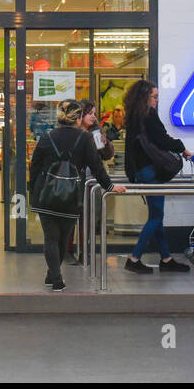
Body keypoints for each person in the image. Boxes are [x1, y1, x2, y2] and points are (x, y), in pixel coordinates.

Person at [28, 100, 125, 291]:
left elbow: (35, 166)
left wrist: (34, 190)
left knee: (50, 237)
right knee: (64, 237)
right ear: (79, 118)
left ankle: (54, 275)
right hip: (72, 196)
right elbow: (97, 167)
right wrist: (109, 186)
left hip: (47, 195)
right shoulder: (85, 138)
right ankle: (55, 275)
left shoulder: (47, 137)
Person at [122, 79, 191, 274]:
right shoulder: (148, 115)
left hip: (139, 170)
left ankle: (167, 259)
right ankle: (134, 258)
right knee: (156, 216)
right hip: (150, 171)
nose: (156, 101)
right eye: (154, 97)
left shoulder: (134, 116)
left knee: (155, 216)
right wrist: (183, 149)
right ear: (145, 97)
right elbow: (162, 139)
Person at [68, 99, 116, 260]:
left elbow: (106, 155)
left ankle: (83, 250)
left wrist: (105, 143)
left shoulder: (96, 132)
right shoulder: (71, 131)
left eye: (94, 114)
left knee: (87, 217)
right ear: (81, 114)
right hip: (73, 179)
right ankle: (68, 250)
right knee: (70, 216)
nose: (93, 117)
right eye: (90, 113)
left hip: (90, 181)